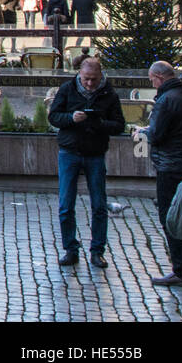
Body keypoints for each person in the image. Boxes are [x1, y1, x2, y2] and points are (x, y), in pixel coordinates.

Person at [48, 56, 124, 268]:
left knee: (99, 205)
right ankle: (70, 249)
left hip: (95, 153)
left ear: (101, 76)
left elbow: (119, 125)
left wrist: (99, 123)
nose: (90, 83)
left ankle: (97, 251)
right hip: (70, 151)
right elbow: (53, 117)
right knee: (66, 204)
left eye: (94, 79)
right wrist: (71, 118)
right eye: (86, 79)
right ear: (80, 74)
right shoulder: (67, 89)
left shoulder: (109, 93)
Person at [137, 61, 182, 286]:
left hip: (170, 167)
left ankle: (180, 270)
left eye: (151, 80)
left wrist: (142, 133)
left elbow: (158, 134)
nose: (152, 84)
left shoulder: (166, 100)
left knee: (171, 217)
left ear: (158, 78)